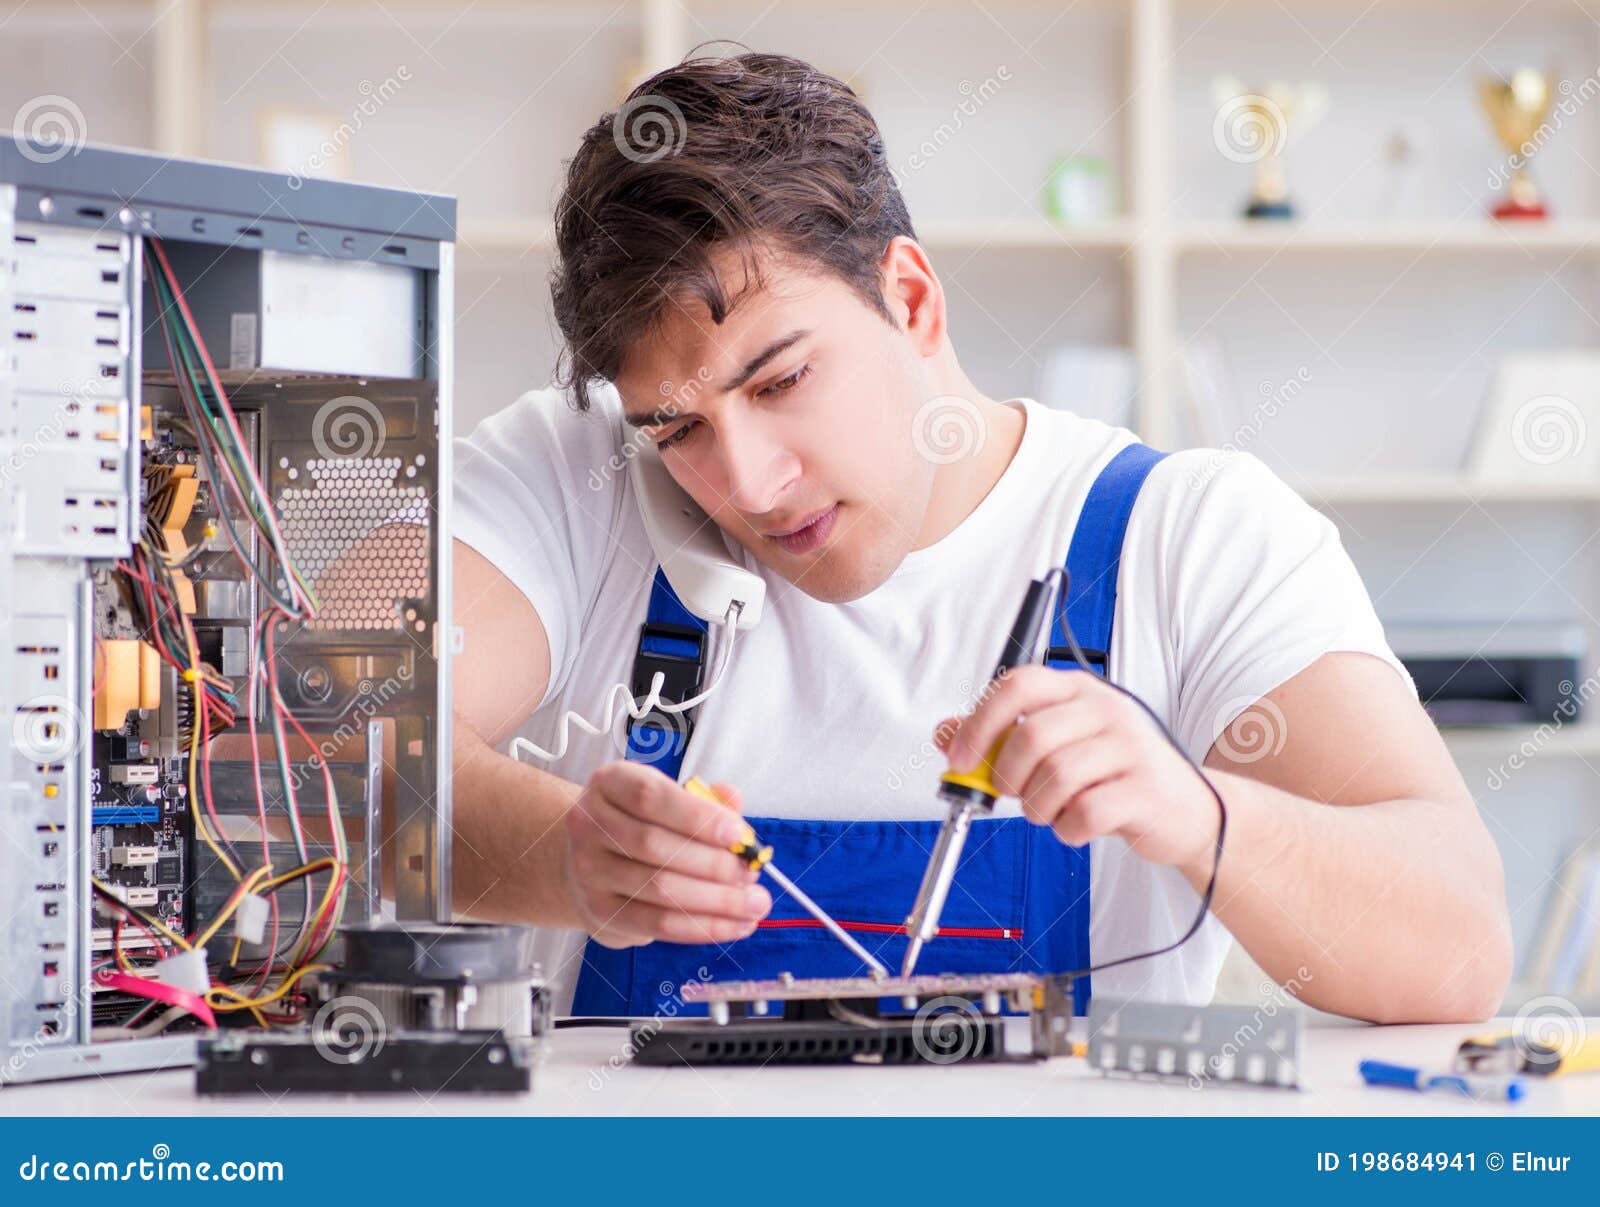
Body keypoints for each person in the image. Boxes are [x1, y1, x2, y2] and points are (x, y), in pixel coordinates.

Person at [446, 52, 1510, 1021]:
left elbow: (1458, 943)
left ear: (909, 298)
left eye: (780, 380)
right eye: (677, 429)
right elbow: (331, 762)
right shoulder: (573, 476)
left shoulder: (1190, 537)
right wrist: (563, 854)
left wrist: (1200, 813)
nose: (748, 485)